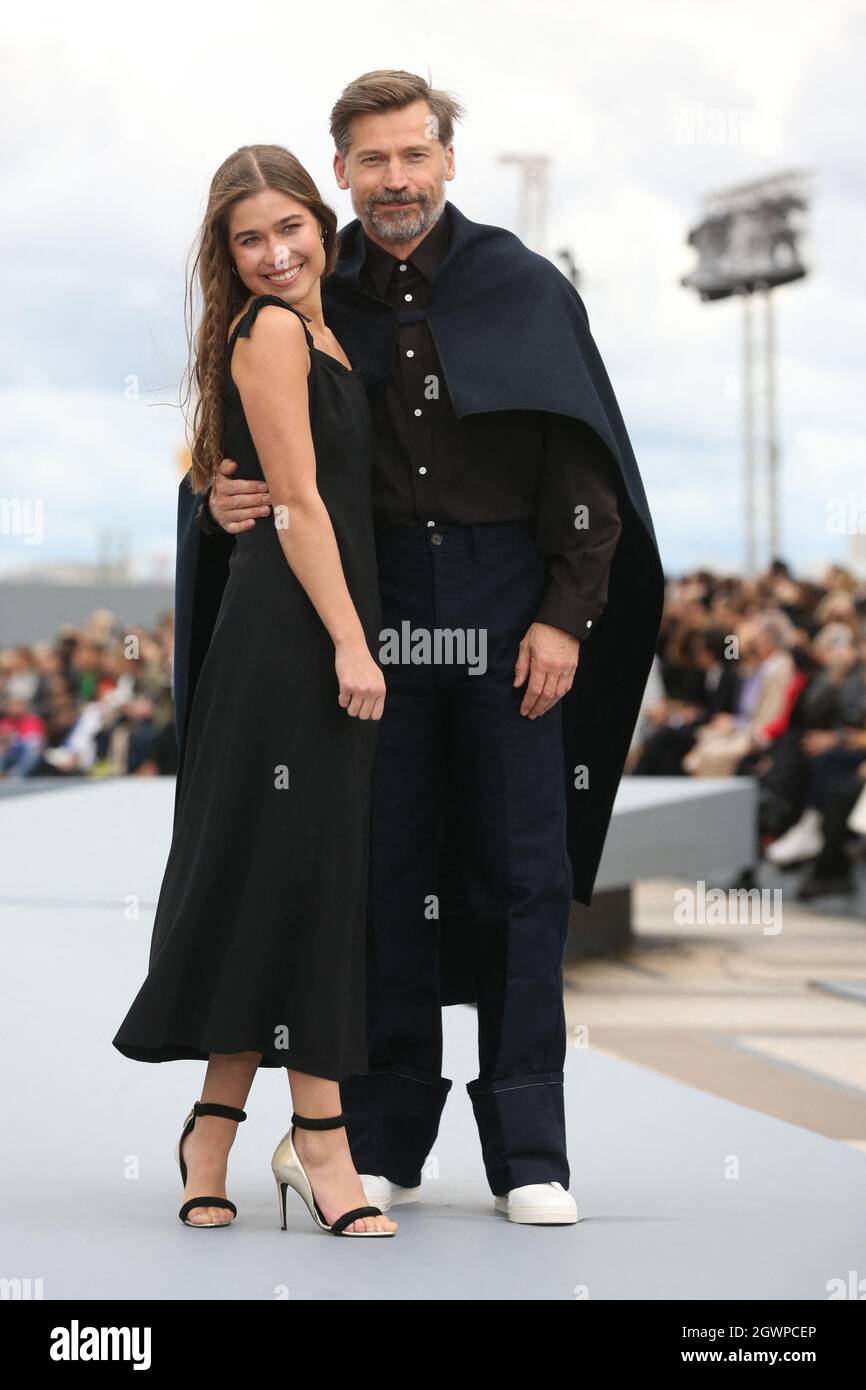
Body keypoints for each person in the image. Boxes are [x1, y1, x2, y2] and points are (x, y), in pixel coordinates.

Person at [177, 71, 665, 1224]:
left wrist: (563, 614)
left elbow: (585, 473)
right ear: (337, 168)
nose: (393, 181)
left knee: (520, 874)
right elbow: (253, 455)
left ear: (446, 158)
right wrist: (221, 501)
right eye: (371, 161)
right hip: (367, 609)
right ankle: (383, 1138)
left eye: (414, 155)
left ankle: (530, 1154)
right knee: (377, 873)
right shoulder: (302, 282)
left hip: (507, 611)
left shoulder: (524, 287)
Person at [113, 145, 397, 1237]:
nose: (276, 253)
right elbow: (297, 507)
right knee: (303, 878)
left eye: (290, 229)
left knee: (291, 879)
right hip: (294, 640)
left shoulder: (324, 331)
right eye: (250, 238)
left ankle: (217, 1125)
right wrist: (350, 643)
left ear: (322, 227)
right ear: (227, 256)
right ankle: (323, 1146)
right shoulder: (273, 331)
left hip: (310, 629)